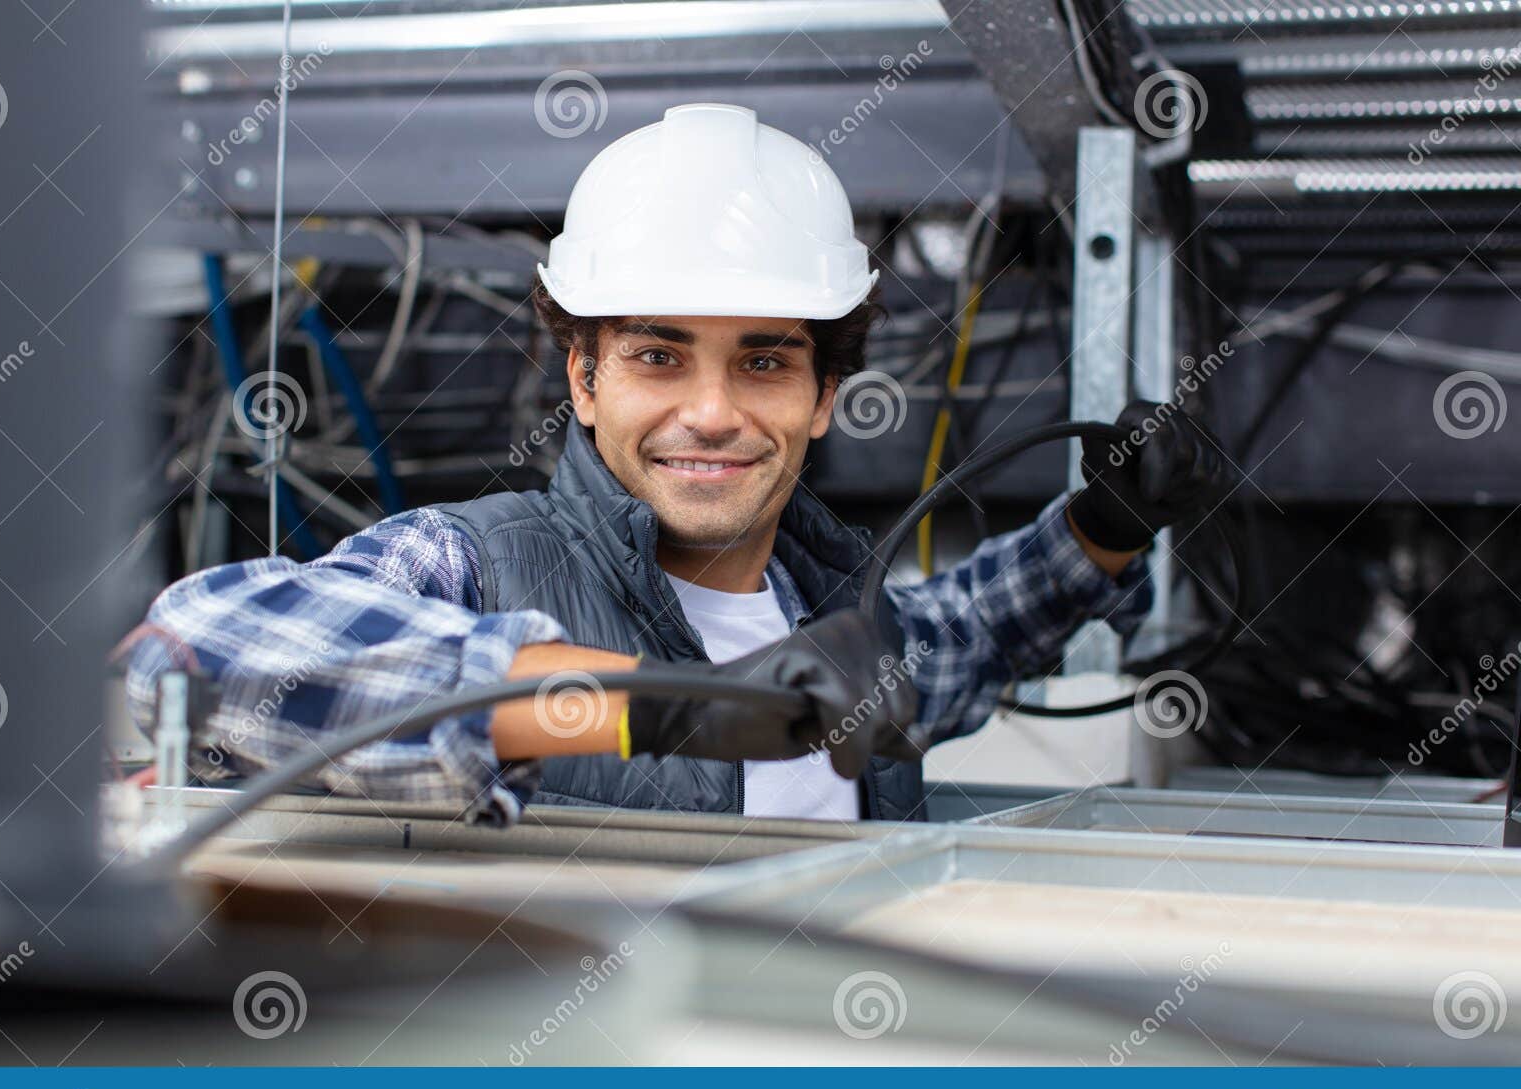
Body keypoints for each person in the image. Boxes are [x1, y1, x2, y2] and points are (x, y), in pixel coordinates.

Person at [127, 103, 1228, 825]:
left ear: (822, 393)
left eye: (762, 359)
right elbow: (197, 646)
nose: (710, 411)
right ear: (584, 378)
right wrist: (667, 709)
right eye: (658, 355)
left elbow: (971, 632)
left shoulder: (839, 618)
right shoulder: (474, 561)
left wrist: (1109, 522)